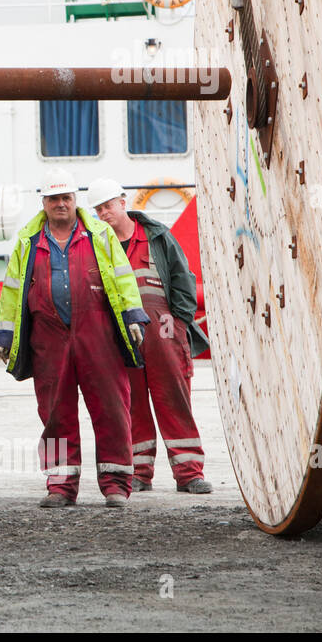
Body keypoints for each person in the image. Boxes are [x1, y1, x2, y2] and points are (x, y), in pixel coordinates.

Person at [0, 168, 149, 508]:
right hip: (48, 338)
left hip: (99, 334)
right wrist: (5, 334)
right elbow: (12, 291)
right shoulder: (27, 242)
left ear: (75, 201)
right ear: (44, 203)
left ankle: (116, 484)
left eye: (66, 198)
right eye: (53, 199)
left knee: (112, 408)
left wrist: (134, 316)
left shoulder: (100, 235)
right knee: (53, 413)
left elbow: (123, 279)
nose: (60, 204)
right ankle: (59, 485)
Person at [88, 179, 212, 494]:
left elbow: (182, 277)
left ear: (122, 201)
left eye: (108, 205)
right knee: (132, 404)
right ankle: (139, 473)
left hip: (165, 333)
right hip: (124, 338)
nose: (104, 213)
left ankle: (189, 474)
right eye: (98, 209)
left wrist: (180, 323)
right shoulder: (99, 247)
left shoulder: (157, 236)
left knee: (174, 400)